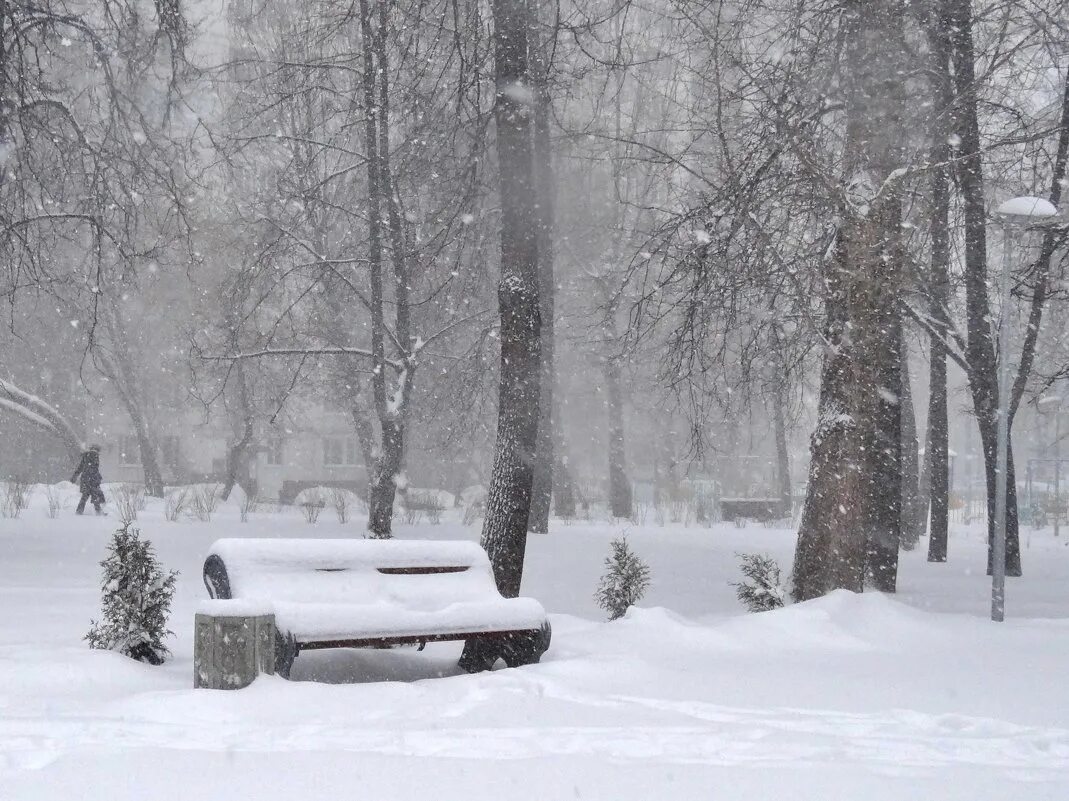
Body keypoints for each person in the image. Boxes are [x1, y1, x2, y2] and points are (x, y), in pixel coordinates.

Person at [71, 444, 106, 515]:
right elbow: (94, 469)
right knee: (94, 496)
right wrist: (96, 479)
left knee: (85, 496)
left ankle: (79, 511)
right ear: (97, 450)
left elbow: (80, 467)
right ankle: (98, 512)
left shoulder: (86, 456)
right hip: (92, 479)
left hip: (85, 479)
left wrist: (75, 476)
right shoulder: (95, 455)